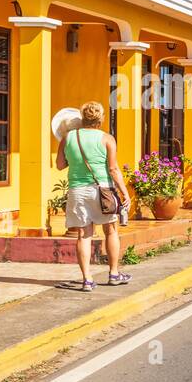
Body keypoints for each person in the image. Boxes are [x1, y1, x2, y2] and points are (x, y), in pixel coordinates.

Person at [55, 101, 131, 291]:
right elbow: (113, 169)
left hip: (77, 191)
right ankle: (114, 274)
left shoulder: (68, 137)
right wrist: (124, 191)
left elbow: (60, 165)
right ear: (101, 118)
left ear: (83, 118)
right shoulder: (107, 139)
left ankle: (87, 279)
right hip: (102, 190)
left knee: (83, 234)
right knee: (111, 230)